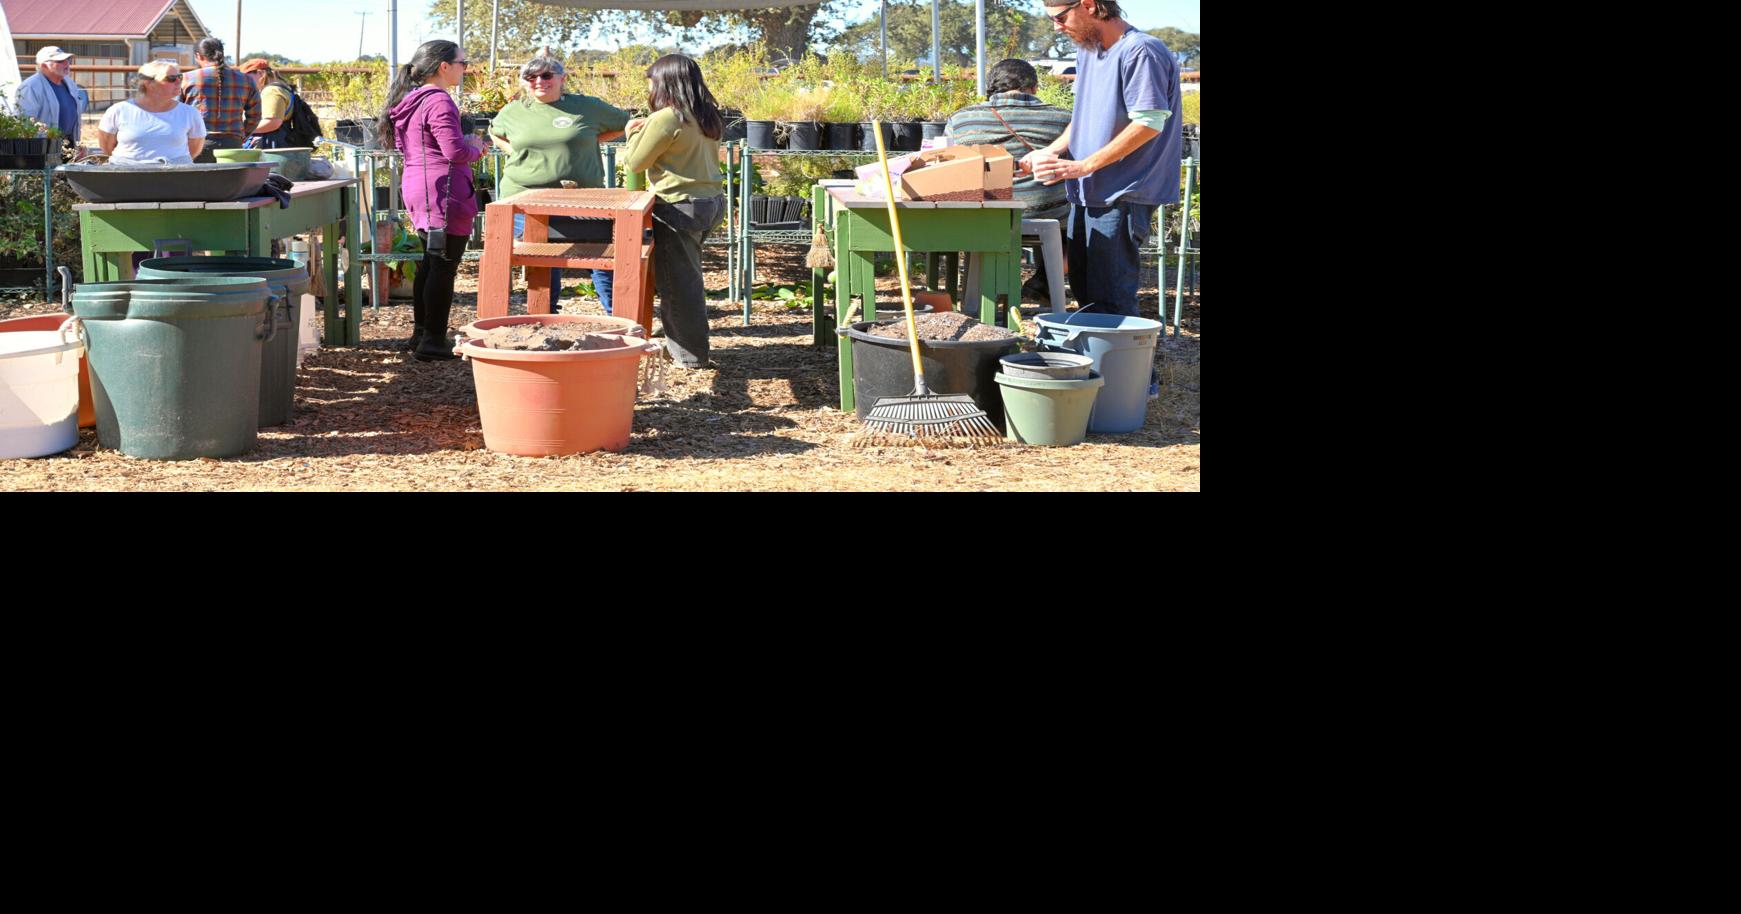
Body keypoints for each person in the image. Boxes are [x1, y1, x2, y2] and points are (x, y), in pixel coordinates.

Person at [1022, 0, 1182, 317]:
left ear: (1089, 5)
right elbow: (1082, 118)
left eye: (1061, 18)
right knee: (1088, 295)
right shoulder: (1088, 52)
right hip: (1089, 191)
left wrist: (1084, 165)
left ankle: (1127, 354)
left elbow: (1149, 123)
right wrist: (1051, 151)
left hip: (1123, 193)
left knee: (1111, 302)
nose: (1057, 27)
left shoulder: (1141, 51)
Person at [488, 49, 629, 314]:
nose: (538, 81)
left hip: (582, 200)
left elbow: (626, 124)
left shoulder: (587, 107)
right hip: (524, 199)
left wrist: (592, 140)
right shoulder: (514, 111)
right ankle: (543, 316)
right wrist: (512, 150)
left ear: (562, 79)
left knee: (601, 256)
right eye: (531, 77)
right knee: (542, 257)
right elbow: (494, 131)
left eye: (546, 75)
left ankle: (618, 317)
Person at [621, 54, 726, 370]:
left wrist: (631, 133)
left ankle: (690, 356)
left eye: (651, 81)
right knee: (684, 276)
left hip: (678, 207)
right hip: (710, 203)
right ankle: (681, 343)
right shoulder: (706, 114)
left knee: (679, 285)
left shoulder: (667, 118)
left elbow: (635, 162)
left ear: (664, 82)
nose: (649, 88)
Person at [382, 39, 485, 361]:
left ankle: (422, 334)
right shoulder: (439, 100)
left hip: (419, 185)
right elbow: (454, 151)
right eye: (462, 63)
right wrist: (476, 147)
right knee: (443, 266)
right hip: (444, 190)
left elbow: (412, 146)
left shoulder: (410, 100)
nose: (464, 69)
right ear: (444, 66)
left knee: (430, 262)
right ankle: (434, 341)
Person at [944, 58, 1072, 303]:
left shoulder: (962, 119)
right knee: (1084, 228)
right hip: (1049, 213)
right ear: (1034, 87)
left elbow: (945, 164)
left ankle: (987, 291)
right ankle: (1045, 281)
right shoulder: (1064, 118)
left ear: (991, 88)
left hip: (983, 213)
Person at [96, 60, 206, 165]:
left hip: (174, 175)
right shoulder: (118, 110)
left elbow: (195, 148)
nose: (179, 82)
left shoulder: (190, 113)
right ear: (149, 83)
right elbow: (106, 146)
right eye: (171, 79)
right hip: (127, 173)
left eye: (179, 77)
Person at [180, 37, 260, 162]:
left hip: (196, 144)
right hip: (232, 146)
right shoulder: (246, 80)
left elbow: (174, 113)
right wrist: (240, 136)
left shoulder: (186, 79)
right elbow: (255, 116)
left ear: (198, 56)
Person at [16, 47, 89, 156]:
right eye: (60, 61)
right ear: (44, 66)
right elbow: (25, 124)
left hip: (68, 145)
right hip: (43, 150)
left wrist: (77, 145)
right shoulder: (30, 87)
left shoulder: (69, 83)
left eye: (67, 60)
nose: (66, 64)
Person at [238, 58, 308, 149]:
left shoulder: (271, 91)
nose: (245, 82)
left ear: (260, 73)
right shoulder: (281, 89)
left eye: (247, 77)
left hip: (271, 147)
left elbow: (273, 122)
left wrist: (241, 130)